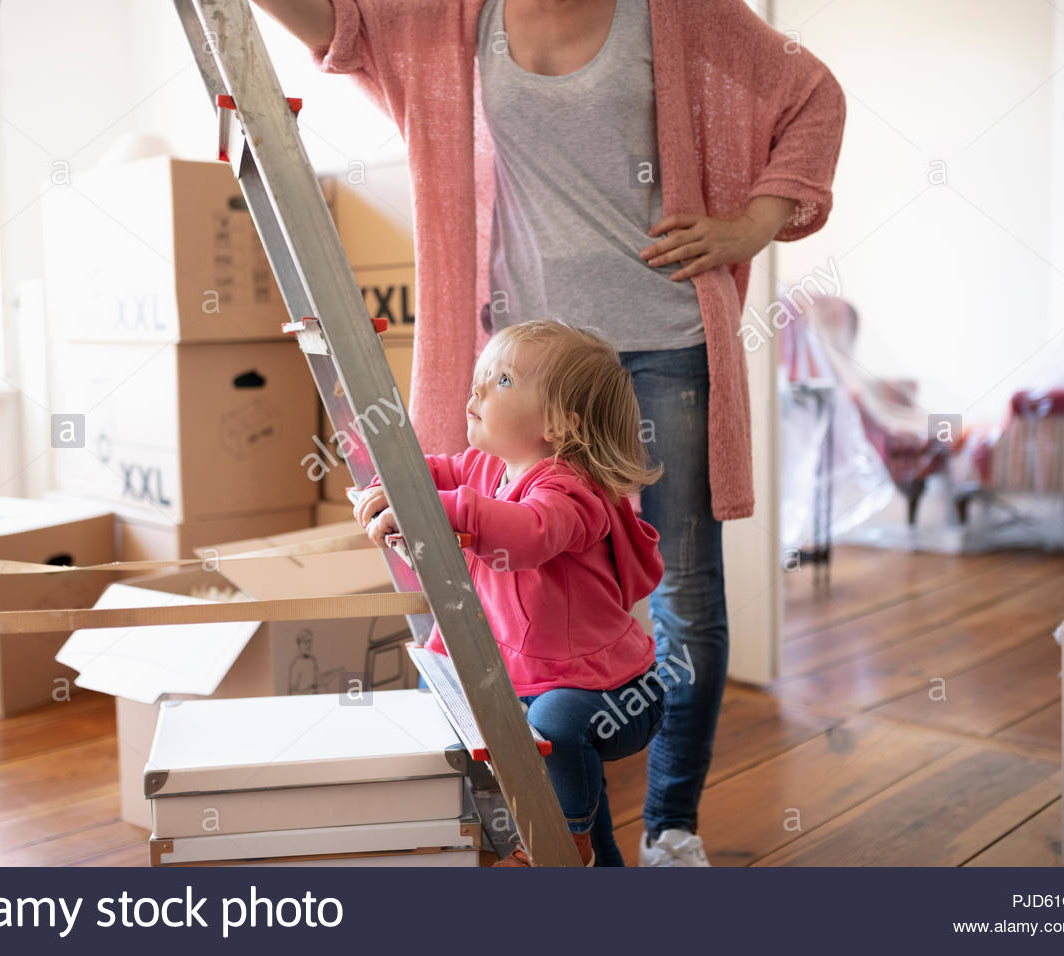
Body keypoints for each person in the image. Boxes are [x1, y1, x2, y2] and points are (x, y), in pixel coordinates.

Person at [253, 0, 846, 866]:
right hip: (523, 363)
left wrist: (751, 224)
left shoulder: (677, 15)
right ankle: (555, 794)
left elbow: (811, 95)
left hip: (663, 340)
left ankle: (672, 827)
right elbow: (330, 25)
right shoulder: (455, 18)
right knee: (523, 564)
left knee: (683, 588)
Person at [353, 320, 666, 867]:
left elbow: (529, 534)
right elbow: (433, 471)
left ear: (560, 423)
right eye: (480, 376)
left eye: (501, 381)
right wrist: (393, 485)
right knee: (543, 751)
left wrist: (439, 508)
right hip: (533, 682)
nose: (476, 391)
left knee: (558, 728)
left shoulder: (572, 487)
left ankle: (560, 838)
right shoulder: (485, 466)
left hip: (611, 691)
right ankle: (590, 850)